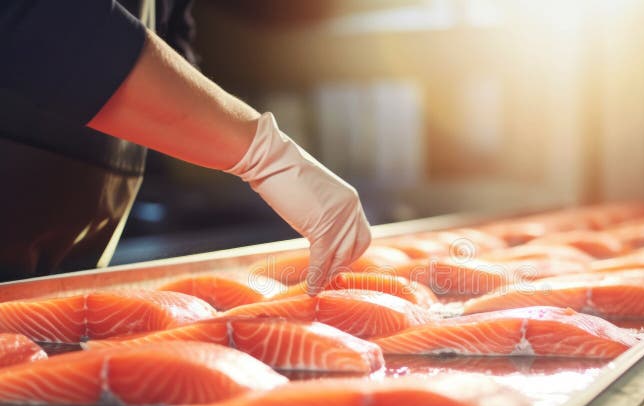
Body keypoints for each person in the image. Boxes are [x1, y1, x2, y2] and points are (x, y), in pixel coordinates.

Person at [0, 0, 372, 294]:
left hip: (70, 265)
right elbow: (37, 20)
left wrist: (221, 131)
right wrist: (264, 153)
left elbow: (168, 40)